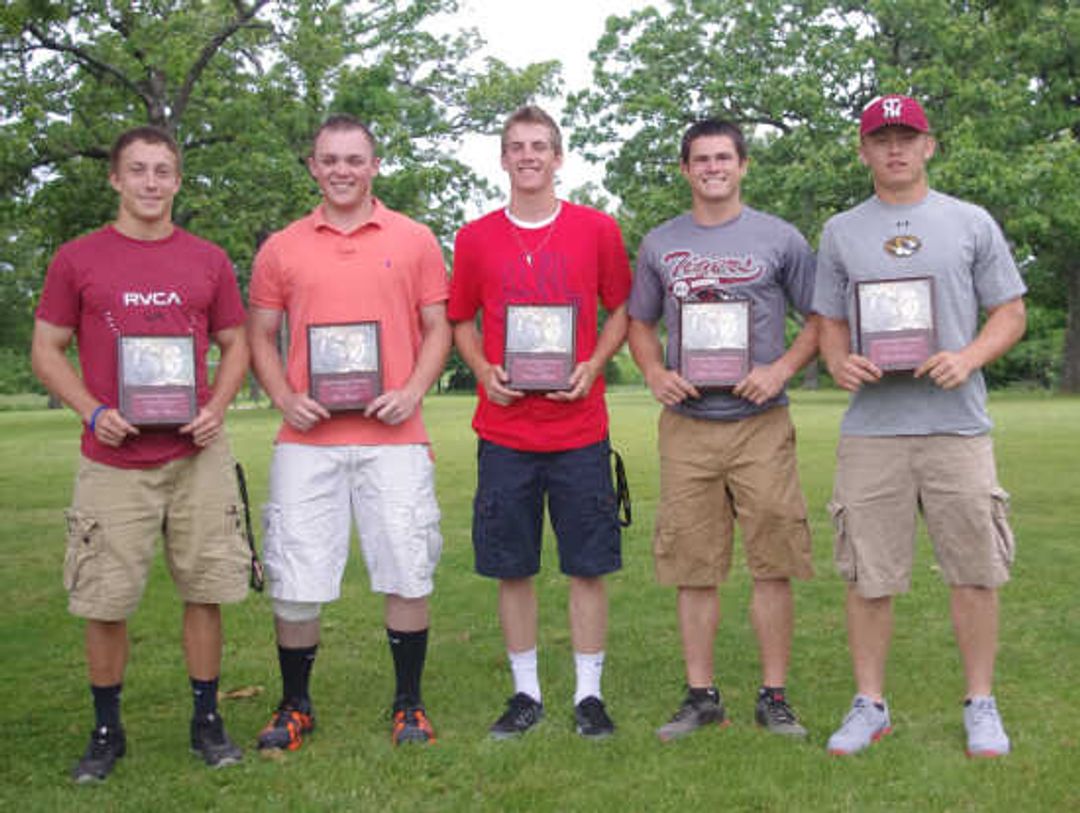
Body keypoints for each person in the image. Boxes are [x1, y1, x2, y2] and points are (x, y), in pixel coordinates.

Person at [31, 125, 251, 782]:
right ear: (116, 179)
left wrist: (217, 407)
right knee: (104, 598)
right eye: (138, 170)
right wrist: (94, 411)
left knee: (205, 588)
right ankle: (107, 730)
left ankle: (206, 720)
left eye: (163, 170)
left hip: (196, 455)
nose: (151, 182)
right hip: (113, 460)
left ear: (178, 180)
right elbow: (46, 349)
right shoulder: (78, 258)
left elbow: (235, 342)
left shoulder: (208, 259)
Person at [813, 94, 1026, 757]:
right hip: (873, 431)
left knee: (975, 569)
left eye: (907, 137)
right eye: (881, 139)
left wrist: (967, 357)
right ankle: (869, 703)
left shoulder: (969, 222)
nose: (895, 149)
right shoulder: (841, 230)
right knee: (868, 574)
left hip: (957, 428)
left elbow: (1010, 312)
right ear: (864, 151)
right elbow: (829, 321)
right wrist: (837, 361)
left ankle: (981, 702)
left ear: (929, 145)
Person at [247, 114, 451, 749]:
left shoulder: (415, 238)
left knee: (407, 569)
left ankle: (409, 705)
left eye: (353, 159)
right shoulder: (282, 247)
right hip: (308, 441)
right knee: (295, 575)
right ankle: (294, 704)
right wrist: (284, 396)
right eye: (329, 159)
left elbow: (438, 327)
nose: (341, 170)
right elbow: (258, 335)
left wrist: (412, 390)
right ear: (313, 166)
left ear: (375, 166)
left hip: (396, 438)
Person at [628, 119, 819, 741]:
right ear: (685, 169)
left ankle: (774, 694)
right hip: (688, 425)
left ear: (743, 165)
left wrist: (782, 367)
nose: (712, 168)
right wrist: (654, 371)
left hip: (761, 422)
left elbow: (821, 316)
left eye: (723, 157)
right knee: (694, 564)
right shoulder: (660, 243)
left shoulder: (779, 238)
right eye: (700, 159)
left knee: (773, 560)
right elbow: (639, 322)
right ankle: (701, 694)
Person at [448, 105, 631, 739]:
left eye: (540, 146)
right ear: (503, 158)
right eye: (517, 147)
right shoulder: (474, 238)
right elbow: (460, 319)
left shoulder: (596, 229)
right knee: (513, 565)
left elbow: (621, 311)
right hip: (505, 432)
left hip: (579, 428)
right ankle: (525, 693)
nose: (528, 156)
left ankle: (588, 694)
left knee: (586, 565)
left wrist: (592, 363)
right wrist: (481, 368)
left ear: (558, 157)